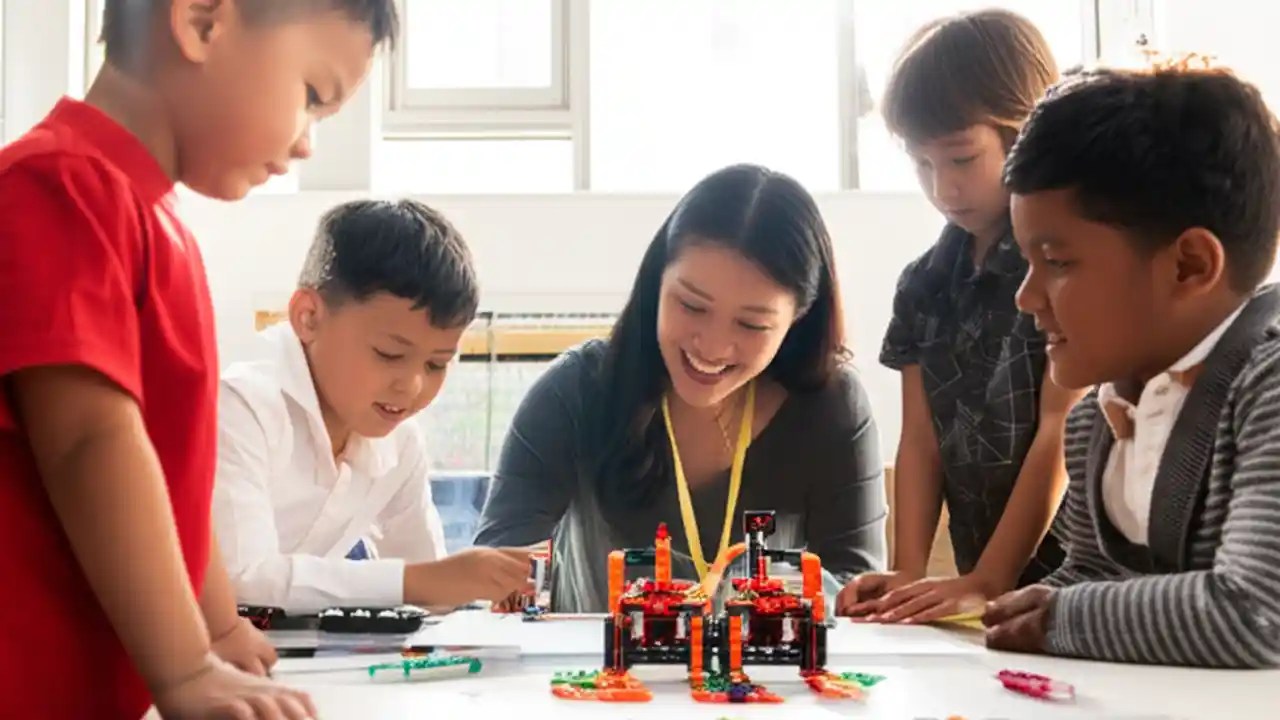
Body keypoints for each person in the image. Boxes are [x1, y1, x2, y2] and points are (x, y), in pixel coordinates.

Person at [0, 1, 397, 717]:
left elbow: (171, 480)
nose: (307, 143)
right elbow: (92, 444)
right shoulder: (60, 184)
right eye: (310, 96)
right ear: (204, 20)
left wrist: (217, 629)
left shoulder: (161, 226)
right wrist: (186, 672)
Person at [473, 163, 887, 612]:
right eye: (691, 305)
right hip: (596, 679)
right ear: (657, 284)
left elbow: (856, 594)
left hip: (764, 679)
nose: (712, 346)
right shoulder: (578, 390)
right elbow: (492, 575)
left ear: (797, 319)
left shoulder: (832, 406)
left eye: (752, 324)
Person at [983, 62, 1280, 669]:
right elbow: (1096, 579)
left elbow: (1260, 615)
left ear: (1190, 265)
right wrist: (998, 613)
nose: (1026, 296)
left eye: (1058, 262)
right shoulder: (1097, 418)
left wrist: (1058, 618)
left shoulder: (1268, 384)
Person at [836, 9, 1079, 624]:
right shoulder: (922, 285)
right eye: (922, 164)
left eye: (962, 159)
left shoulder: (1063, 267)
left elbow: (1060, 431)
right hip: (978, 589)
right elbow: (920, 441)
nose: (942, 187)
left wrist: (991, 578)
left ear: (1025, 133)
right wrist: (908, 574)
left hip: (1074, 581)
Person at [214, 199, 532, 612]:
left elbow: (431, 586)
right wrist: (424, 581)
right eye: (388, 354)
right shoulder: (238, 408)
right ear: (308, 317)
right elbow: (242, 580)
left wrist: (489, 579)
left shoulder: (399, 443)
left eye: (437, 364)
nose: (412, 386)